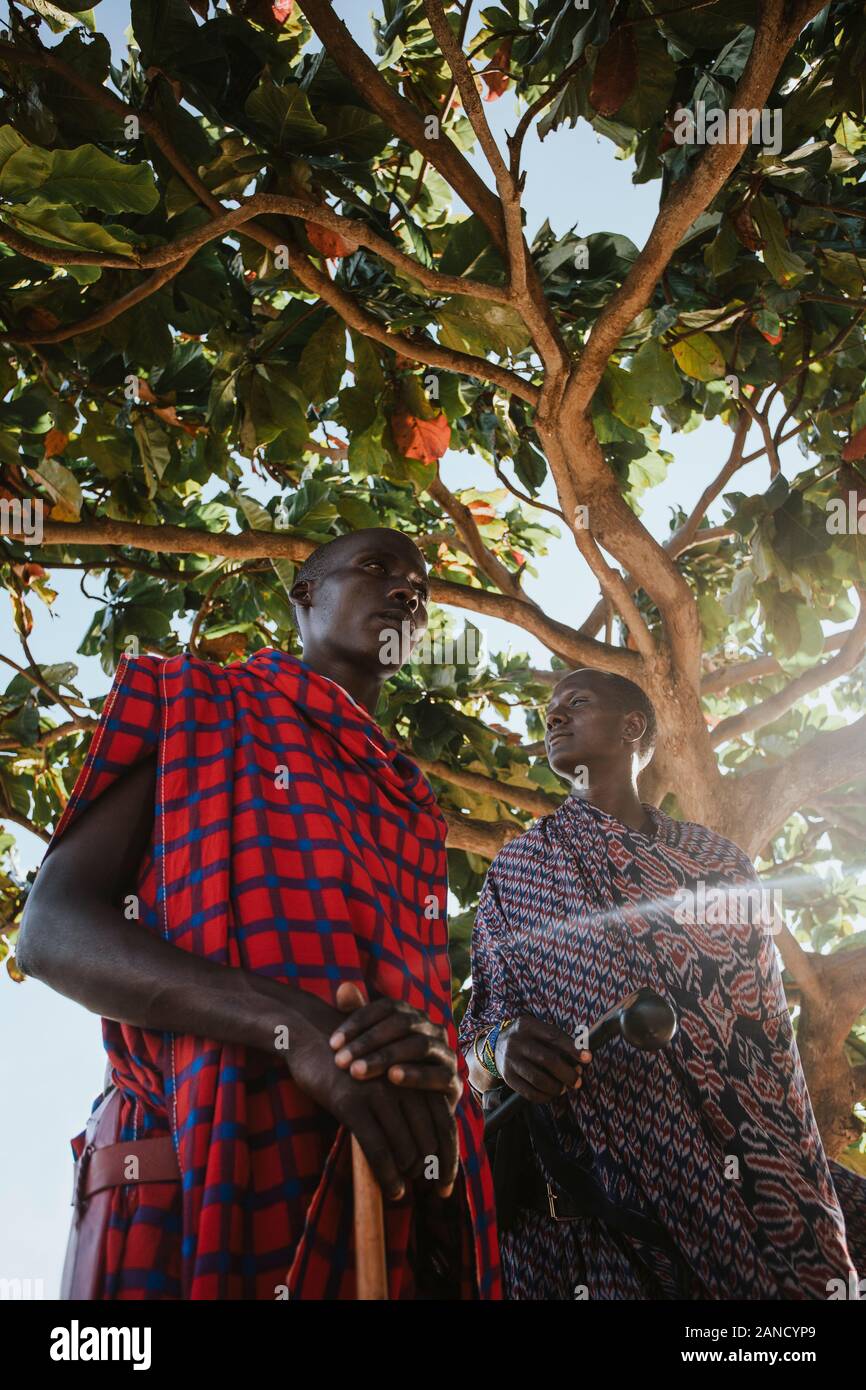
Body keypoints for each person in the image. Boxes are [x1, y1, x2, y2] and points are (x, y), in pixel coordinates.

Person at [19, 527, 499, 1300]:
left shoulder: (412, 808)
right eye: (378, 568)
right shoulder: (194, 707)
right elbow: (50, 932)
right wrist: (298, 1028)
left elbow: (410, 1015)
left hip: (371, 1200)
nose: (407, 591)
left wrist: (429, 1070)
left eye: (422, 587)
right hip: (189, 1173)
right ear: (302, 595)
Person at [462, 667, 866, 1300]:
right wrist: (503, 1046)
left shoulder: (718, 865)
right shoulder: (520, 870)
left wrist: (789, 1168)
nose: (554, 716)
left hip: (748, 1178)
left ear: (632, 728)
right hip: (592, 1203)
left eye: (577, 702)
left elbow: (769, 1040)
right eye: (550, 709)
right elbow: (477, 1035)